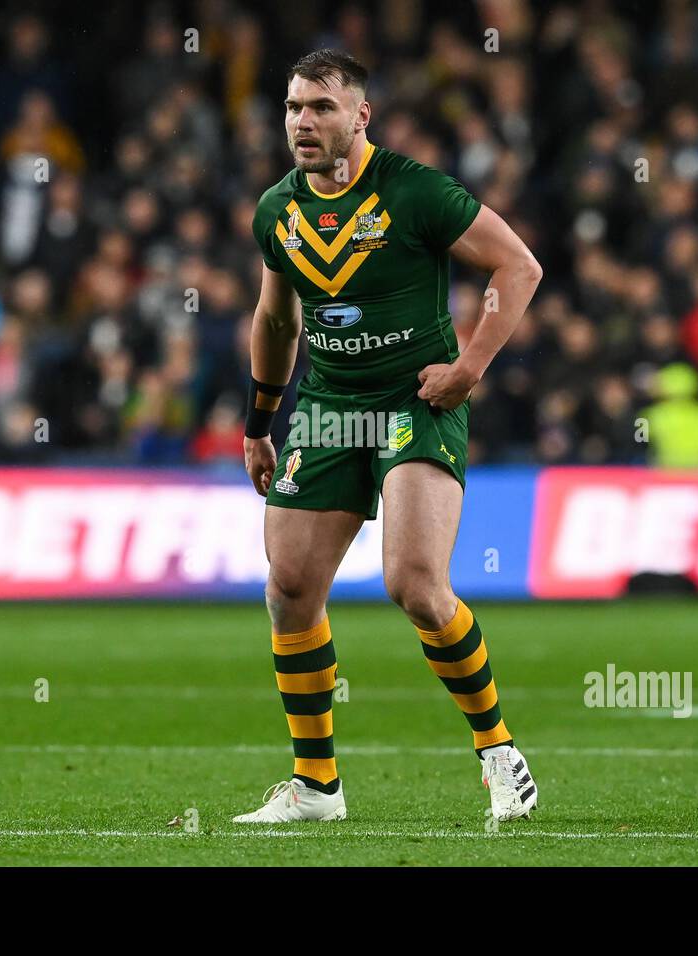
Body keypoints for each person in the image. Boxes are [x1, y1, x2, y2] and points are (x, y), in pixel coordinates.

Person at [237, 50, 543, 824]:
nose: (304, 122)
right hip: (329, 406)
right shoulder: (277, 210)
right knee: (290, 588)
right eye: (294, 107)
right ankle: (315, 787)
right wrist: (259, 422)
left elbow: (518, 266)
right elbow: (277, 318)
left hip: (417, 397)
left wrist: (469, 367)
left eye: (322, 108)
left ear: (361, 116)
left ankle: (500, 752)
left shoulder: (416, 191)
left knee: (414, 584)